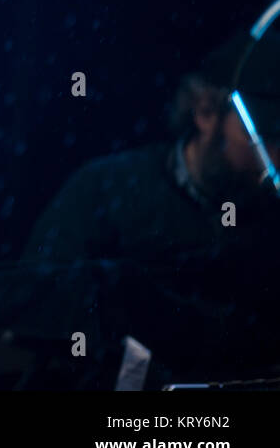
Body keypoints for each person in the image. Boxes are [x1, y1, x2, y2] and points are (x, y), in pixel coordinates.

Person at [23, 26, 280, 382]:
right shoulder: (104, 191)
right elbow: (36, 311)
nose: (274, 159)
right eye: (263, 136)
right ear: (206, 112)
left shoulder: (270, 219)